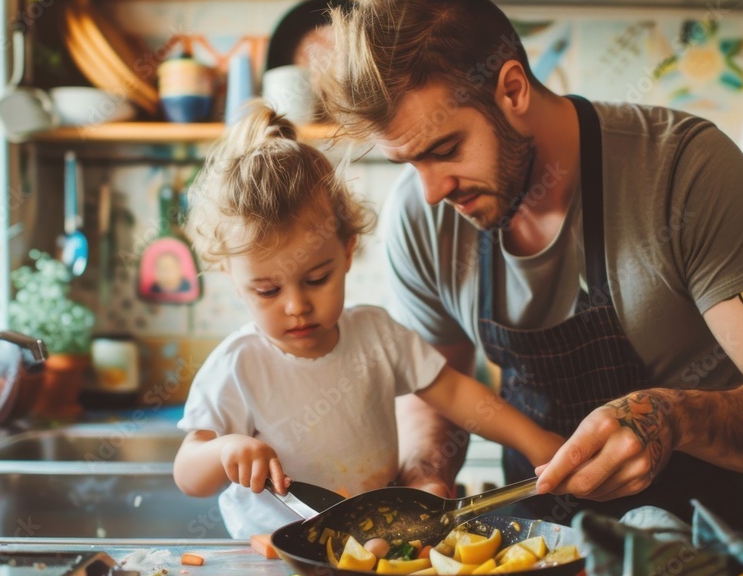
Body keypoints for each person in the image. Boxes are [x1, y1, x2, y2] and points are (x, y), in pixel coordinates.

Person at [315, 0, 743, 533]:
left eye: (445, 151)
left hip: (695, 564)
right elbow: (431, 386)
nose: (433, 191)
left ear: (512, 90)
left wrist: (671, 416)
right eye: (408, 164)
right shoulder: (422, 215)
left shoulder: (684, 172)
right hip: (529, 555)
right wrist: (426, 476)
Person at [172, 102, 563, 538]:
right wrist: (226, 450)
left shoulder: (377, 335)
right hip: (269, 560)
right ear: (231, 274)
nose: (296, 306)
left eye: (317, 278)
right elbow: (188, 473)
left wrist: (535, 442)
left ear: (347, 251)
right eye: (268, 291)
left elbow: (454, 391)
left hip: (373, 548)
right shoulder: (238, 365)